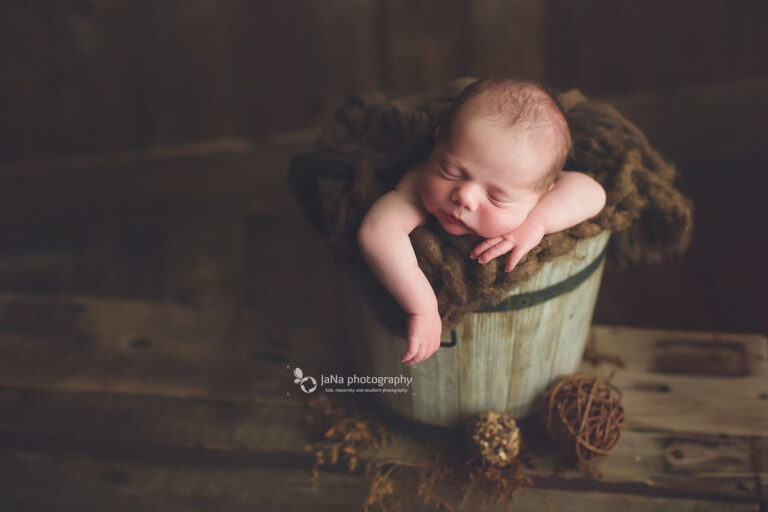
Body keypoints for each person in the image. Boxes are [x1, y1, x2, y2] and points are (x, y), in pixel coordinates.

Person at [357, 78, 606, 367]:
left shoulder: (539, 194)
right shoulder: (417, 185)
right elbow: (377, 232)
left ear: (542, 194)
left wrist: (536, 224)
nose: (464, 196)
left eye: (497, 197)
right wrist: (423, 308)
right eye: (450, 171)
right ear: (437, 143)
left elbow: (594, 193)